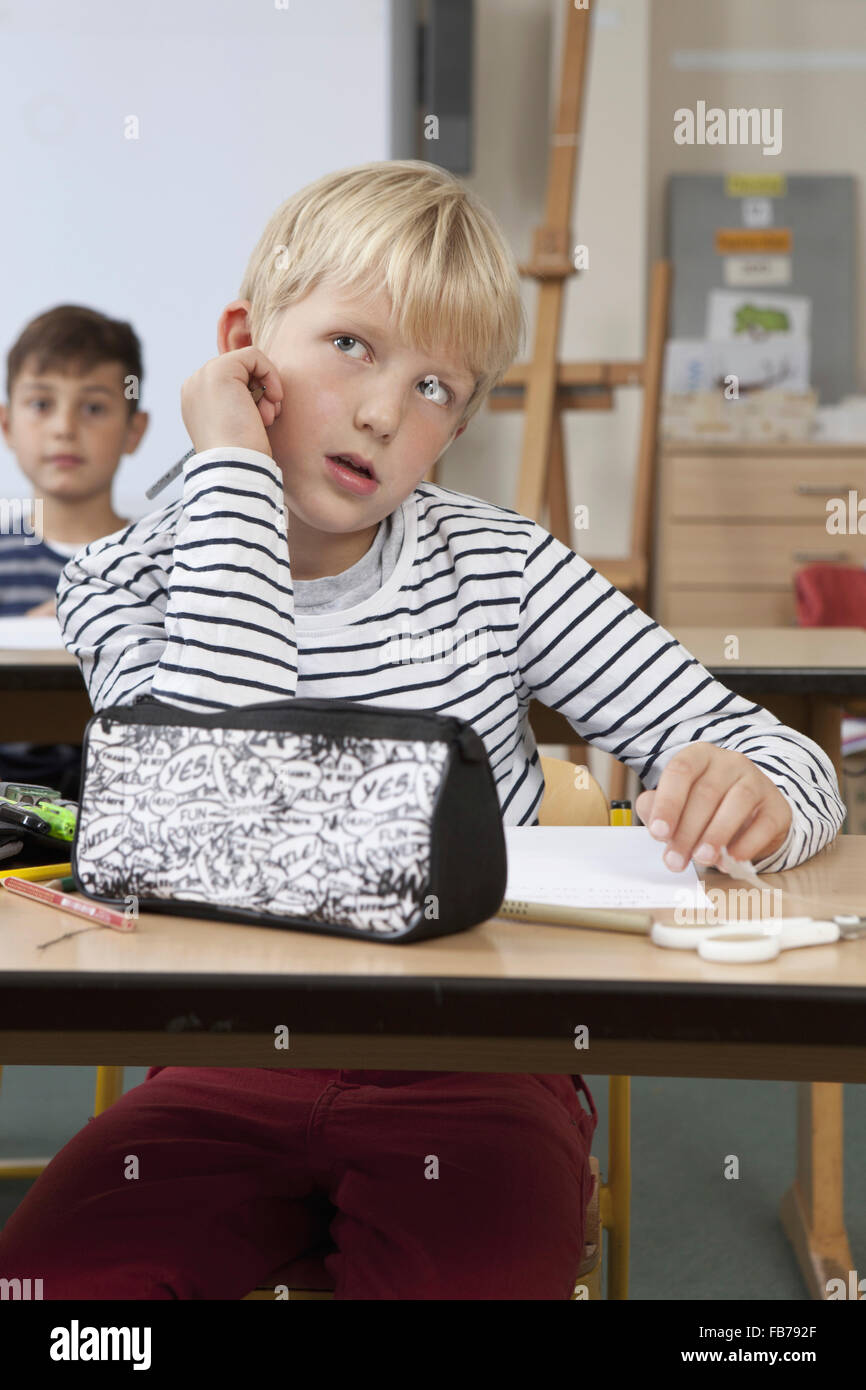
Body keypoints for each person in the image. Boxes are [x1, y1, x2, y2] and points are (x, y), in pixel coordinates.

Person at [0, 161, 845, 1300]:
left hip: (479, 1068)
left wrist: (759, 787)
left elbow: (771, 745)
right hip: (225, 1061)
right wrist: (234, 470)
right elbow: (219, 798)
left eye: (437, 387)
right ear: (242, 351)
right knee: (53, 1300)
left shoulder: (501, 565)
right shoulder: (122, 576)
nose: (385, 410)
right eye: (350, 344)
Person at [0, 305, 148, 796]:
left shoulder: (164, 561)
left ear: (134, 430)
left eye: (93, 407)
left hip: (124, 800)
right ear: (6, 425)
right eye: (41, 404)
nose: (64, 427)